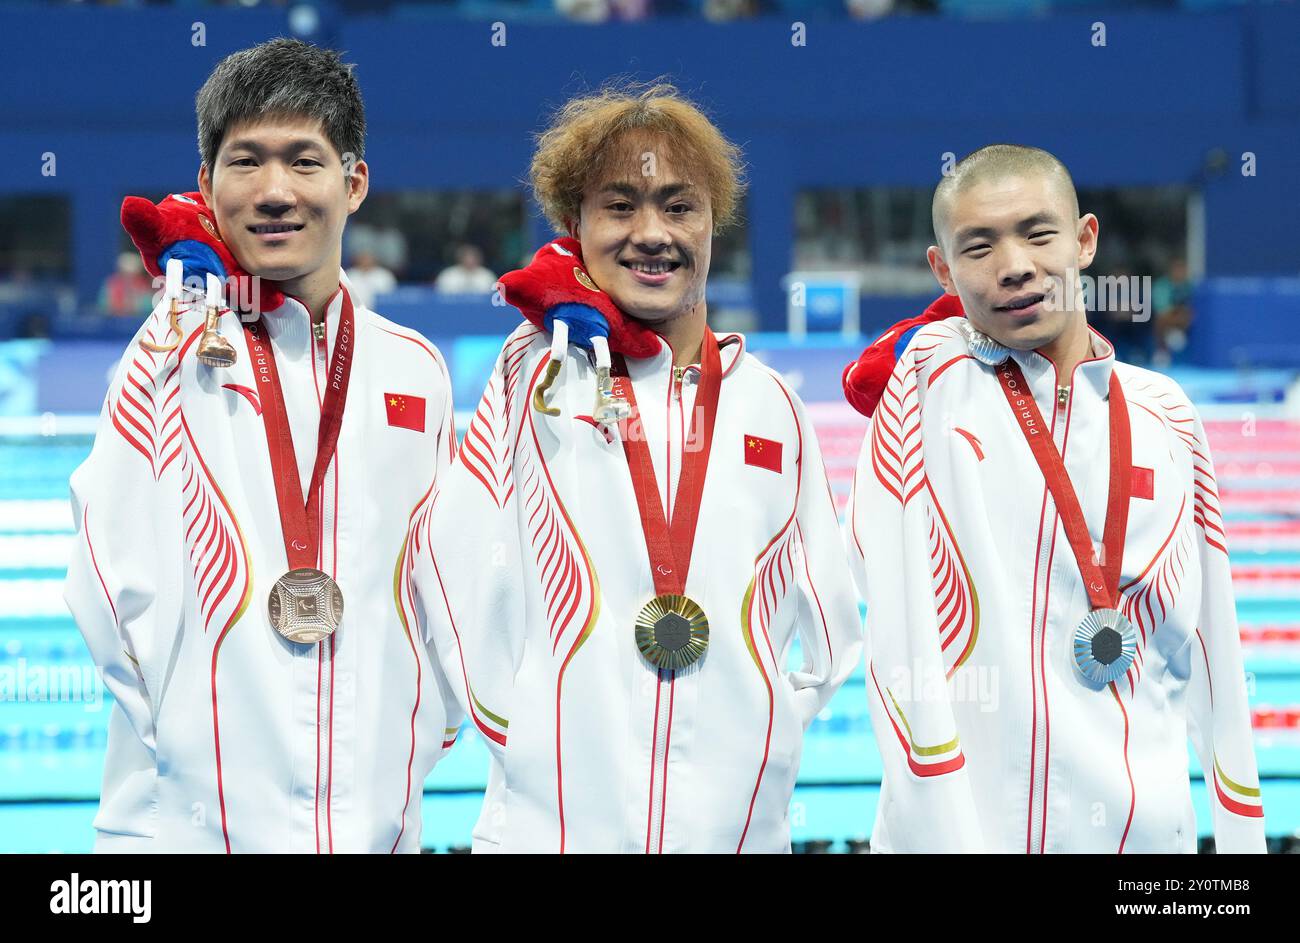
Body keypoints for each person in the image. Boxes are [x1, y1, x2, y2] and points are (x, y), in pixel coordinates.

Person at [415, 83, 862, 853]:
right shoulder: (535, 374)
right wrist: (525, 738)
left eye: (679, 206)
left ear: (714, 223)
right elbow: (450, 569)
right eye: (620, 206)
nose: (652, 233)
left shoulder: (771, 408)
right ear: (572, 227)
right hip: (544, 834)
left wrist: (760, 742)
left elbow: (832, 622)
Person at [63, 38, 460, 853]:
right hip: (185, 833)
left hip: (375, 831)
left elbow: (442, 587)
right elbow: (107, 580)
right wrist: (187, 755)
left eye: (304, 161)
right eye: (246, 161)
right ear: (206, 185)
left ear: (353, 182)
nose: (276, 191)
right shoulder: (167, 353)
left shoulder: (415, 370)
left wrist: (406, 748)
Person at [845, 144, 1264, 853]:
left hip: (1142, 843)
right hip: (960, 833)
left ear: (1085, 239)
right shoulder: (930, 384)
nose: (1013, 265)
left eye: (1039, 233)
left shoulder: (1167, 413)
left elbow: (1214, 636)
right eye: (978, 247)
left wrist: (1241, 837)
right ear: (942, 272)